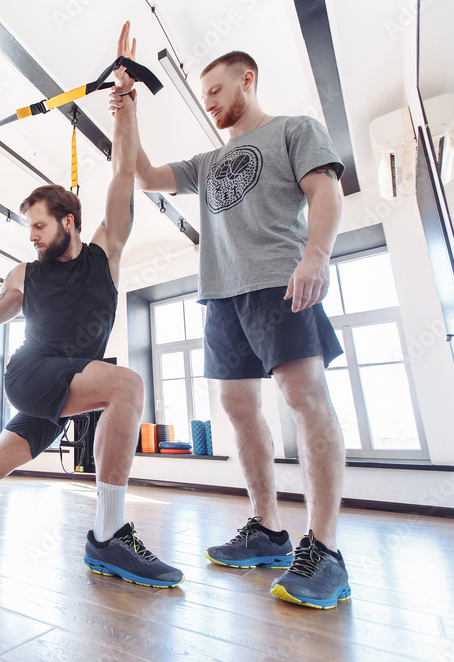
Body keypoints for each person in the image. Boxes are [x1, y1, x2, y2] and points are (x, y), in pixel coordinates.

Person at [0, 23, 183, 589]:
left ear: (68, 222)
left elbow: (124, 174)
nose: (30, 235)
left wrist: (124, 100)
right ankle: (107, 537)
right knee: (126, 385)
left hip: (65, 384)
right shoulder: (25, 275)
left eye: (38, 225)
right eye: (26, 226)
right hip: (32, 376)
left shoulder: (106, 253)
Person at [109, 45, 350, 609]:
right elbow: (143, 174)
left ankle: (326, 551)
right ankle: (266, 530)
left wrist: (316, 255)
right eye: (204, 95)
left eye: (217, 90)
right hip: (221, 295)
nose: (209, 102)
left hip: (278, 280)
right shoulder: (209, 163)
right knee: (239, 410)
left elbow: (326, 191)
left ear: (248, 79)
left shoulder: (294, 129)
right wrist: (126, 104)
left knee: (304, 397)